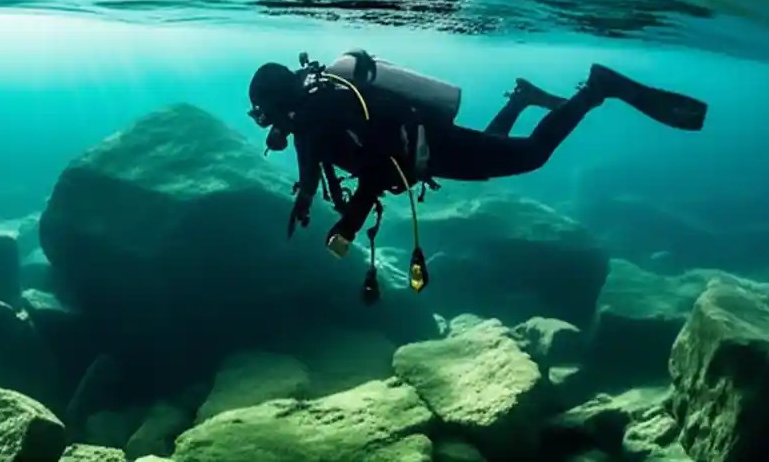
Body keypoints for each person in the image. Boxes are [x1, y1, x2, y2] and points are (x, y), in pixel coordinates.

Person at [247, 50, 707, 293]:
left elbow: (370, 171)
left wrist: (346, 229)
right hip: (427, 150)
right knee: (494, 163)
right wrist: (304, 199)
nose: (272, 127)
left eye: (265, 115)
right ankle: (521, 97)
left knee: (531, 155)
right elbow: (312, 156)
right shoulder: (311, 107)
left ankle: (596, 89)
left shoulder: (319, 108)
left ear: (277, 103)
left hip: (430, 146)